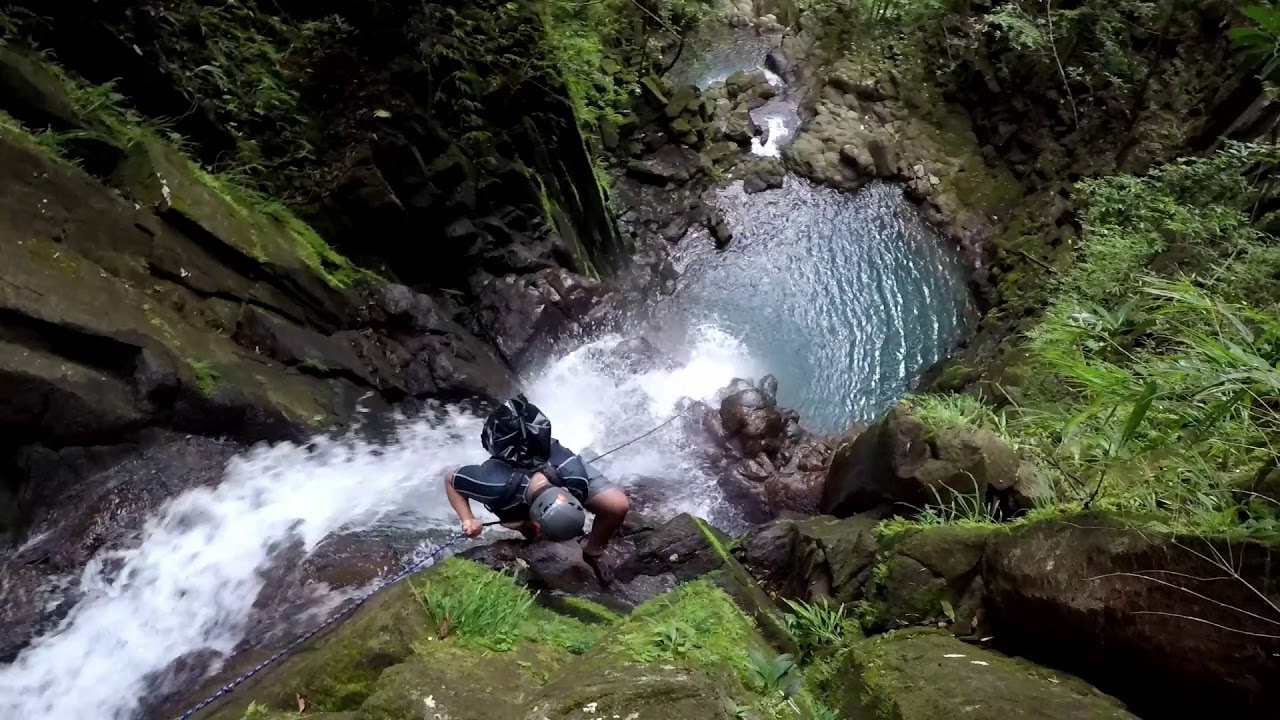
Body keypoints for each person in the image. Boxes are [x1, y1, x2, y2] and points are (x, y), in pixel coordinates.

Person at [443, 395, 630, 586]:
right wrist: (467, 519)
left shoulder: (575, 477)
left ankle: (593, 551)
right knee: (524, 527)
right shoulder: (492, 484)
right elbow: (451, 481)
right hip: (512, 486)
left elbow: (578, 499)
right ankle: (530, 529)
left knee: (617, 505)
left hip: (554, 468)